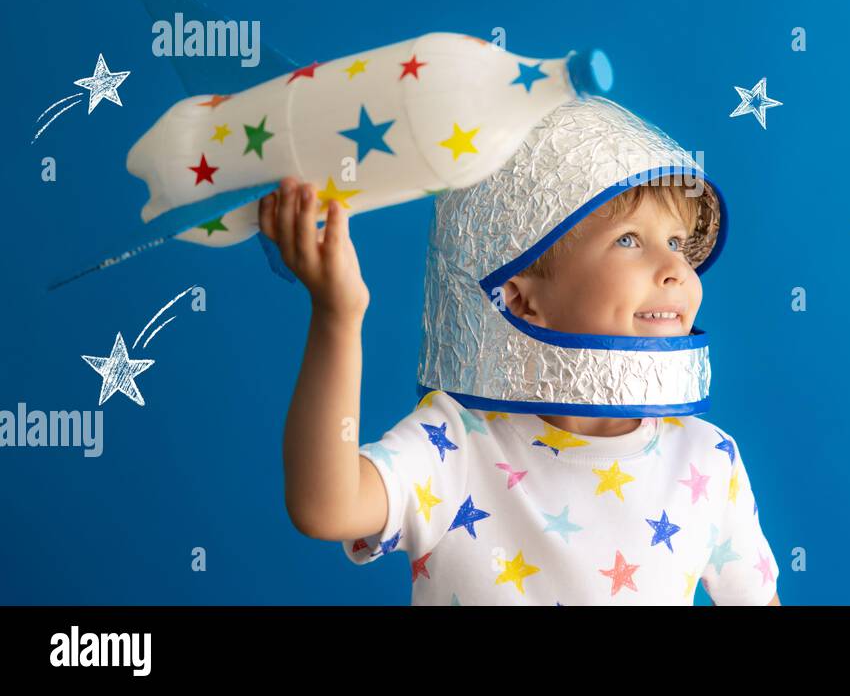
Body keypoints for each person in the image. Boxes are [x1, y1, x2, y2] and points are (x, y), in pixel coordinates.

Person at [272, 96, 780, 605]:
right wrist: (338, 315)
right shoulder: (456, 444)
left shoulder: (708, 460)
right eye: (628, 240)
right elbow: (324, 506)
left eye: (675, 241)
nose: (674, 268)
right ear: (520, 297)